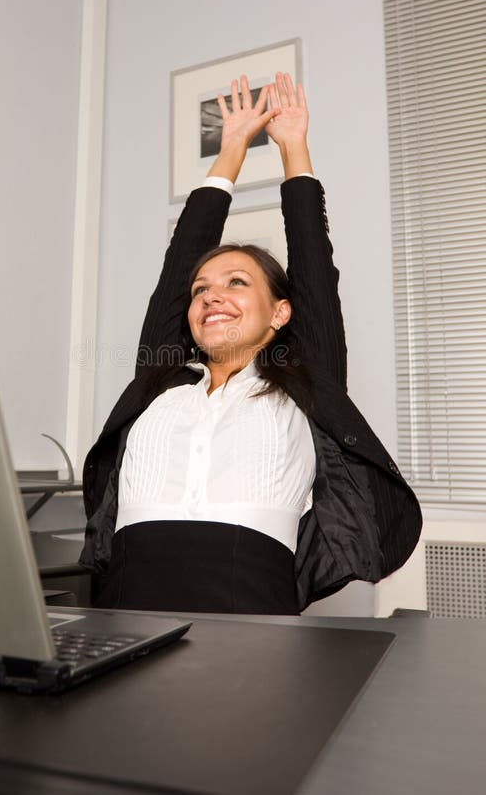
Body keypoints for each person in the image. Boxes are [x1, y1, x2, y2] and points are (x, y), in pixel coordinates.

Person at [79, 72, 422, 614]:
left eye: (237, 283)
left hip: (250, 615)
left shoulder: (304, 391)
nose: (212, 297)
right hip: (126, 606)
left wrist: (293, 149)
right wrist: (230, 151)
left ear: (280, 313)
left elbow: (313, 267)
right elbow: (176, 269)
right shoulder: (163, 381)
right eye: (201, 291)